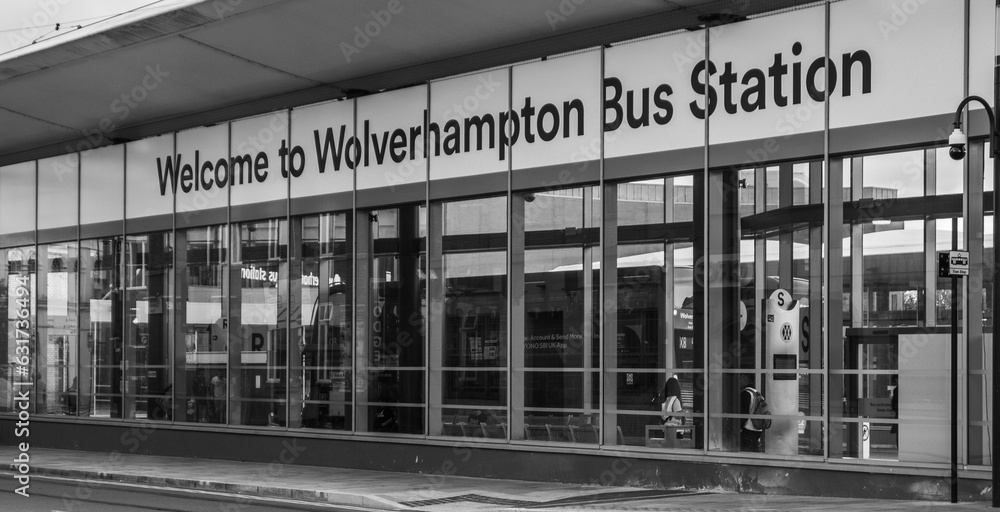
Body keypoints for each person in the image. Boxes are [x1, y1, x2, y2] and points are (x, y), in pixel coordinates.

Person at [740, 374, 764, 453]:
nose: (739, 381)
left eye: (741, 378)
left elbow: (744, 412)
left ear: (746, 380)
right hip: (758, 428)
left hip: (748, 428)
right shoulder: (757, 393)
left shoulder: (746, 393)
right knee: (754, 450)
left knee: (746, 452)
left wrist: (740, 427)